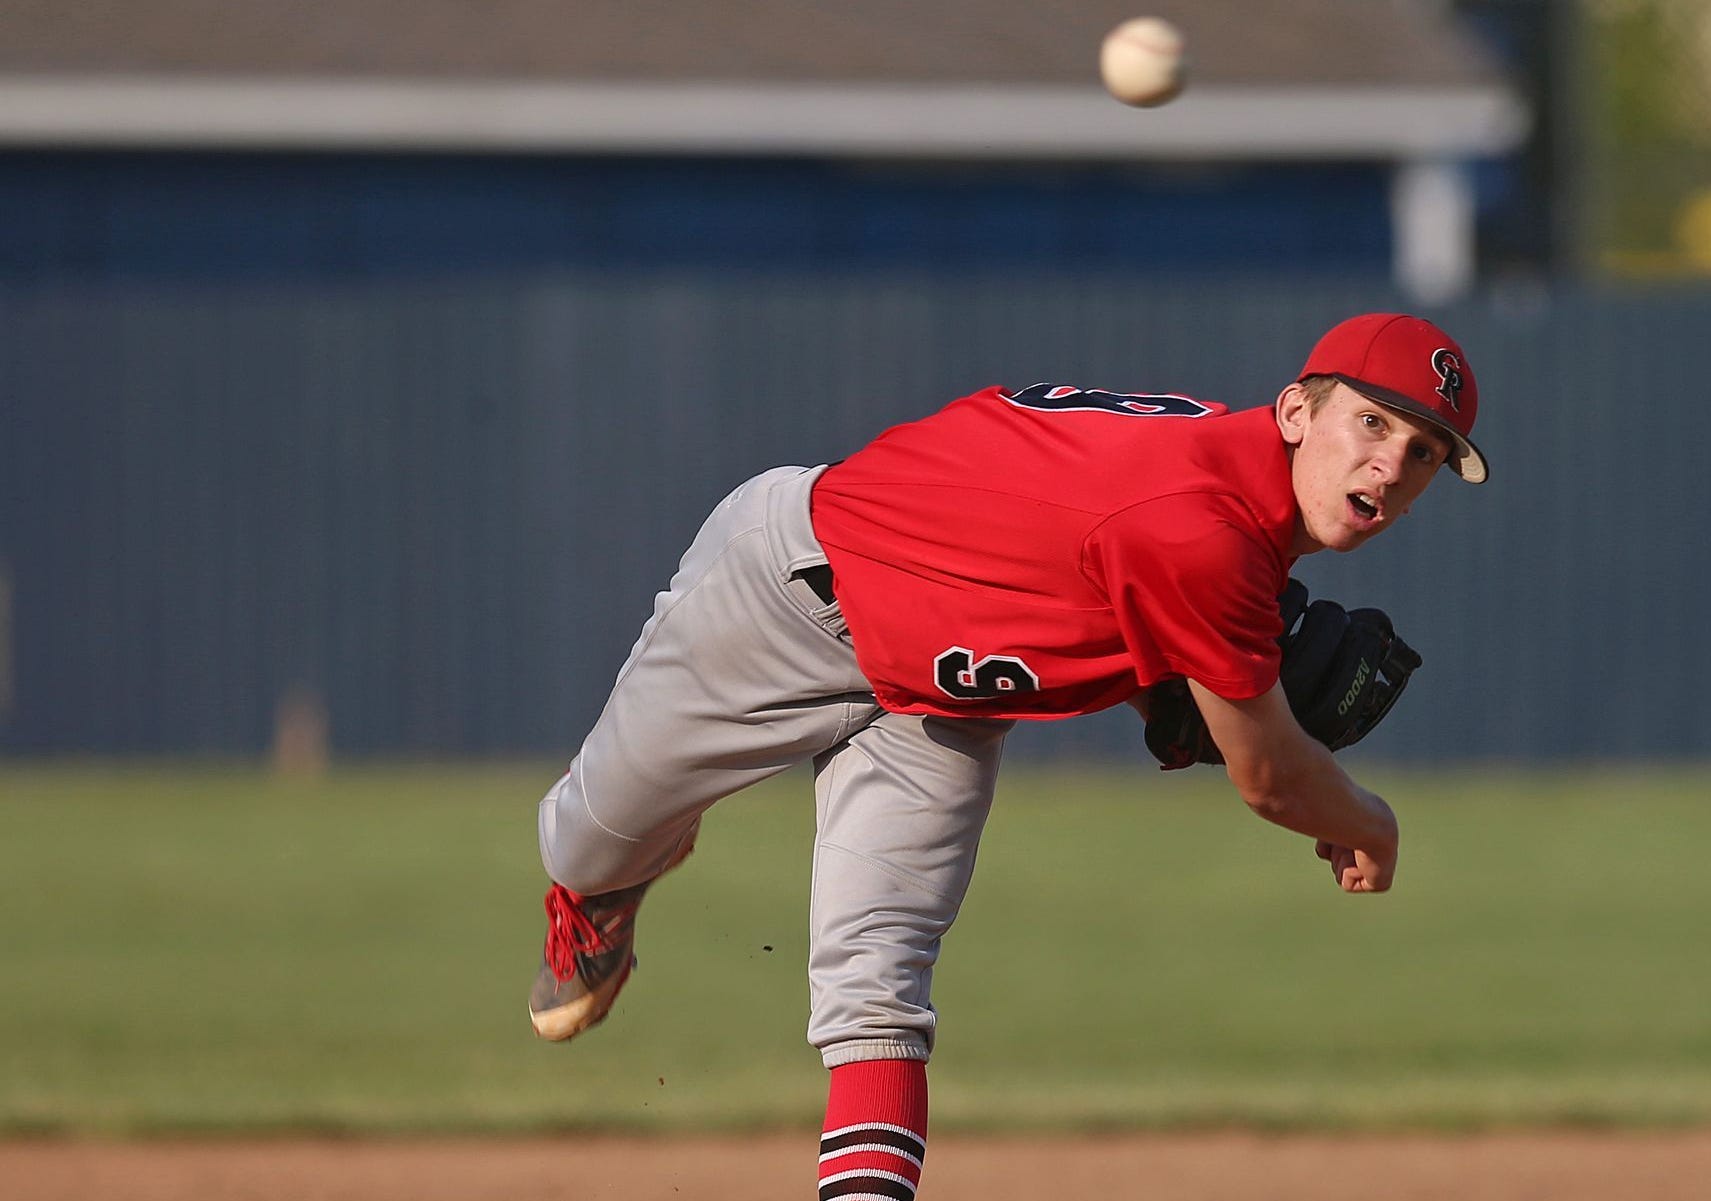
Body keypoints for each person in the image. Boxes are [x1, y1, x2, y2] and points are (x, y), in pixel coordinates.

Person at [528, 312, 1488, 1200]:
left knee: (879, 988)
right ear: (1294, 410)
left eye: (1424, 454)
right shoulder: (1201, 532)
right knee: (589, 835)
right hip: (786, 594)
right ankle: (596, 896)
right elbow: (1269, 775)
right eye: (1371, 424)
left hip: (940, 703)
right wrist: (1368, 820)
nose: (1392, 465)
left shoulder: (1218, 488)